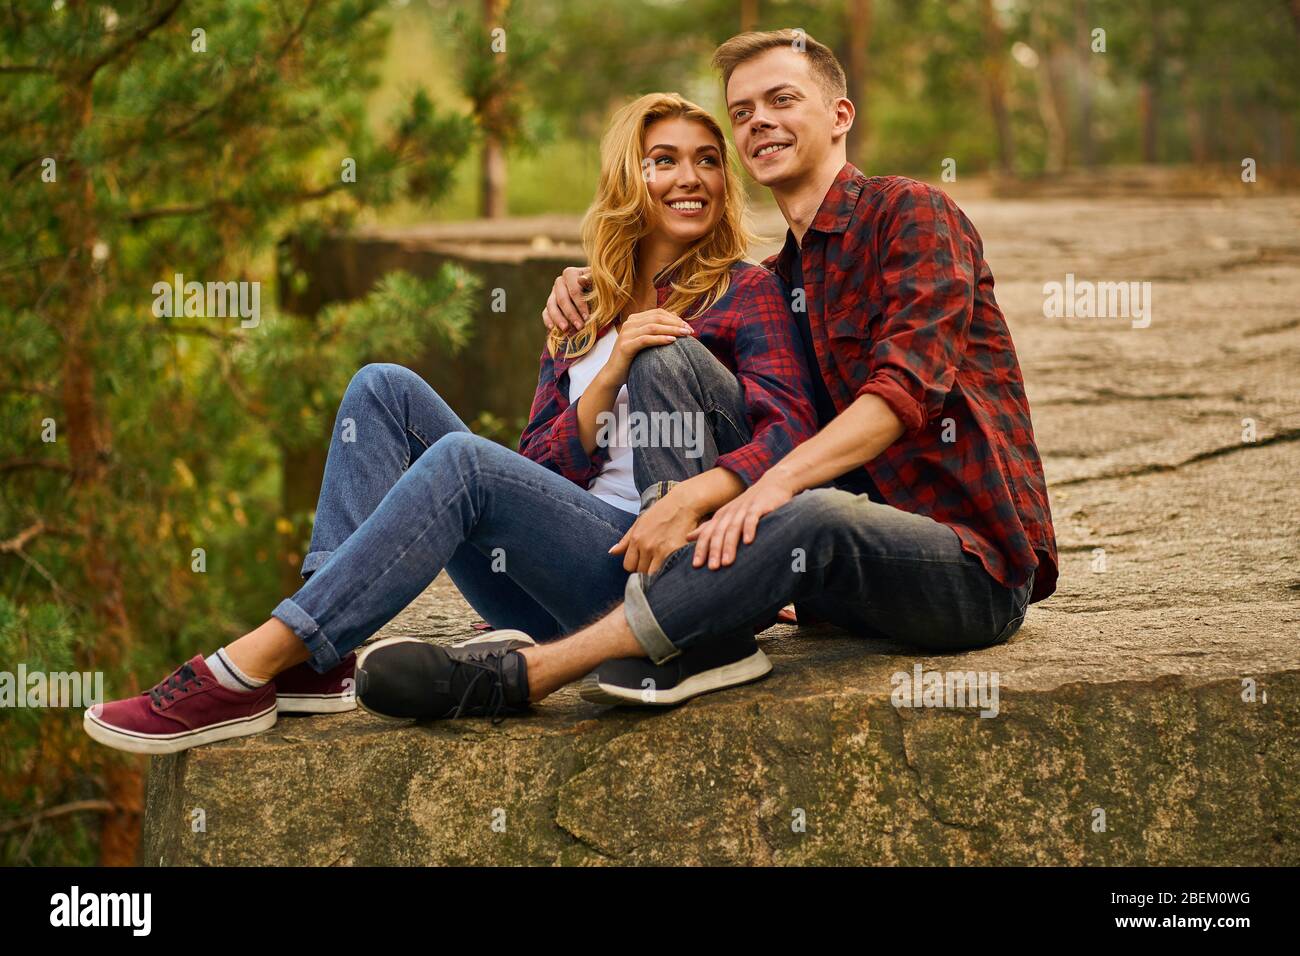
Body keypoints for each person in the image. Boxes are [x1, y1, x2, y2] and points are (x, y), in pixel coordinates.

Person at [354, 28, 1059, 719]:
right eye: (744, 112)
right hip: (837, 589)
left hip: (970, 571)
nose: (760, 123)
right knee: (671, 357)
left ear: (840, 115)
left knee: (809, 510)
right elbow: (738, 419)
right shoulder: (781, 281)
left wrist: (762, 488)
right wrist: (597, 294)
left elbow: (902, 393)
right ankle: (684, 620)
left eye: (782, 100)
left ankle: (530, 673)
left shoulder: (912, 211)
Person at [83, 92, 816, 753]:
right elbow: (544, 467)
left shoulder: (746, 292)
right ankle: (321, 656)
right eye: (664, 161)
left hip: (660, 584)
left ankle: (246, 665)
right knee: (382, 388)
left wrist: (668, 424)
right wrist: (610, 365)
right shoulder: (582, 311)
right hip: (557, 579)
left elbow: (788, 436)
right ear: (630, 179)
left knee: (469, 460)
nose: (690, 177)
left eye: (708, 162)